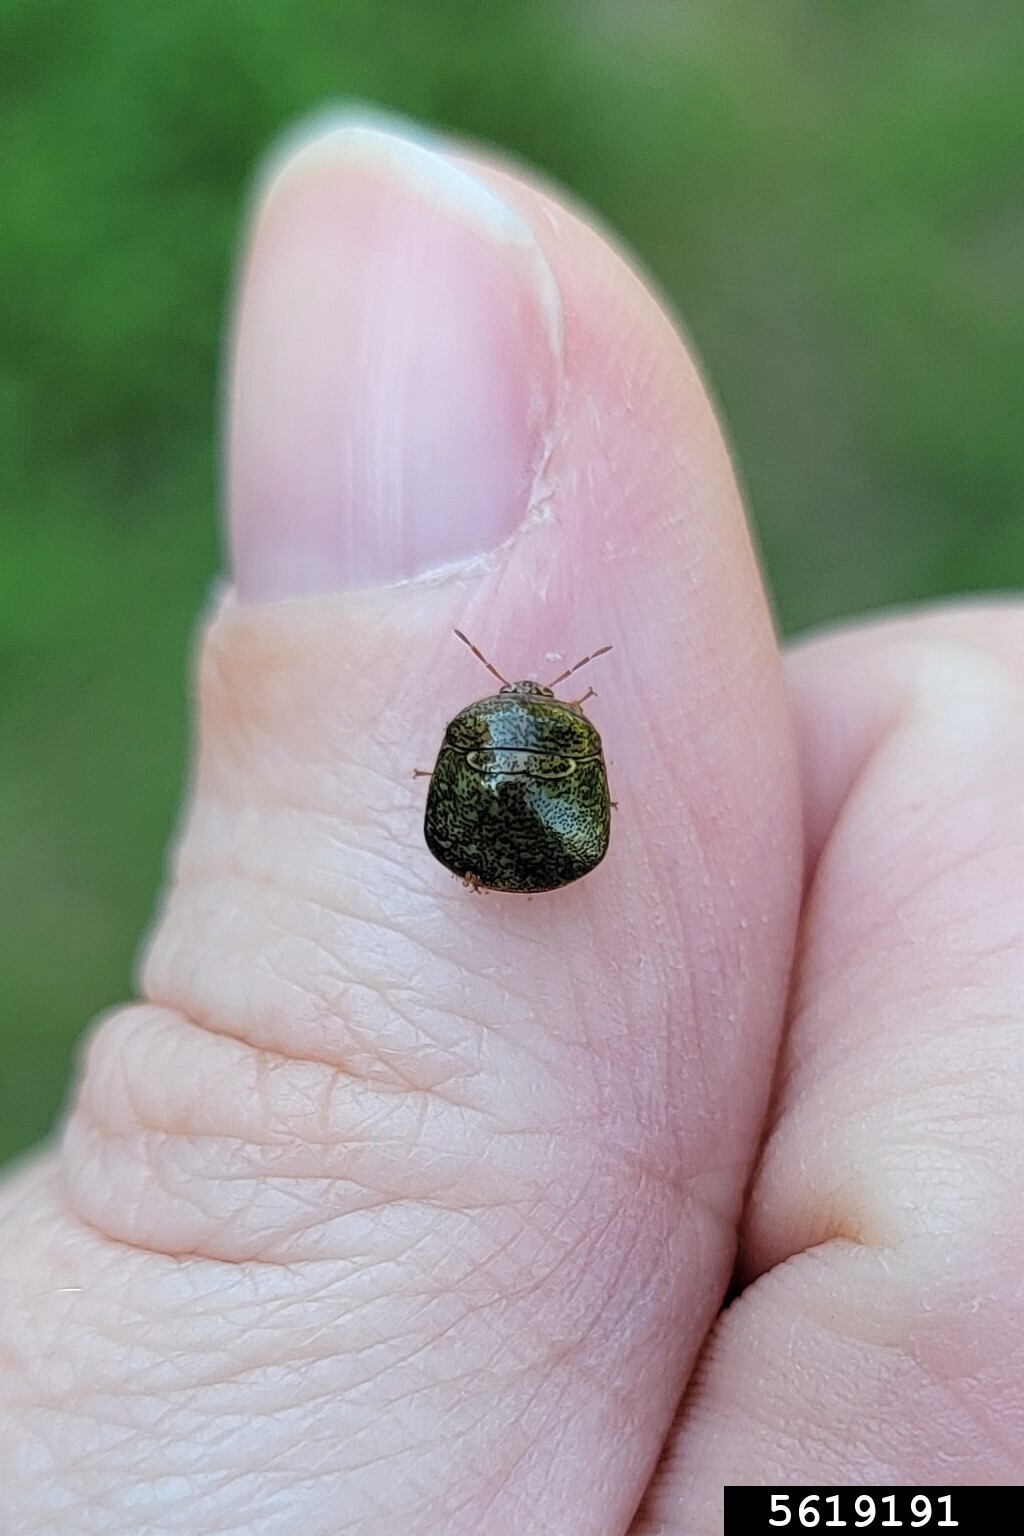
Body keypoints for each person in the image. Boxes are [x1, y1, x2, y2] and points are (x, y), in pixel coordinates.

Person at [1, 119, 1020, 1532]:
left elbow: (488, 807)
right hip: (526, 858)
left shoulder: (498, 739)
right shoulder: (538, 744)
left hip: (501, 858)